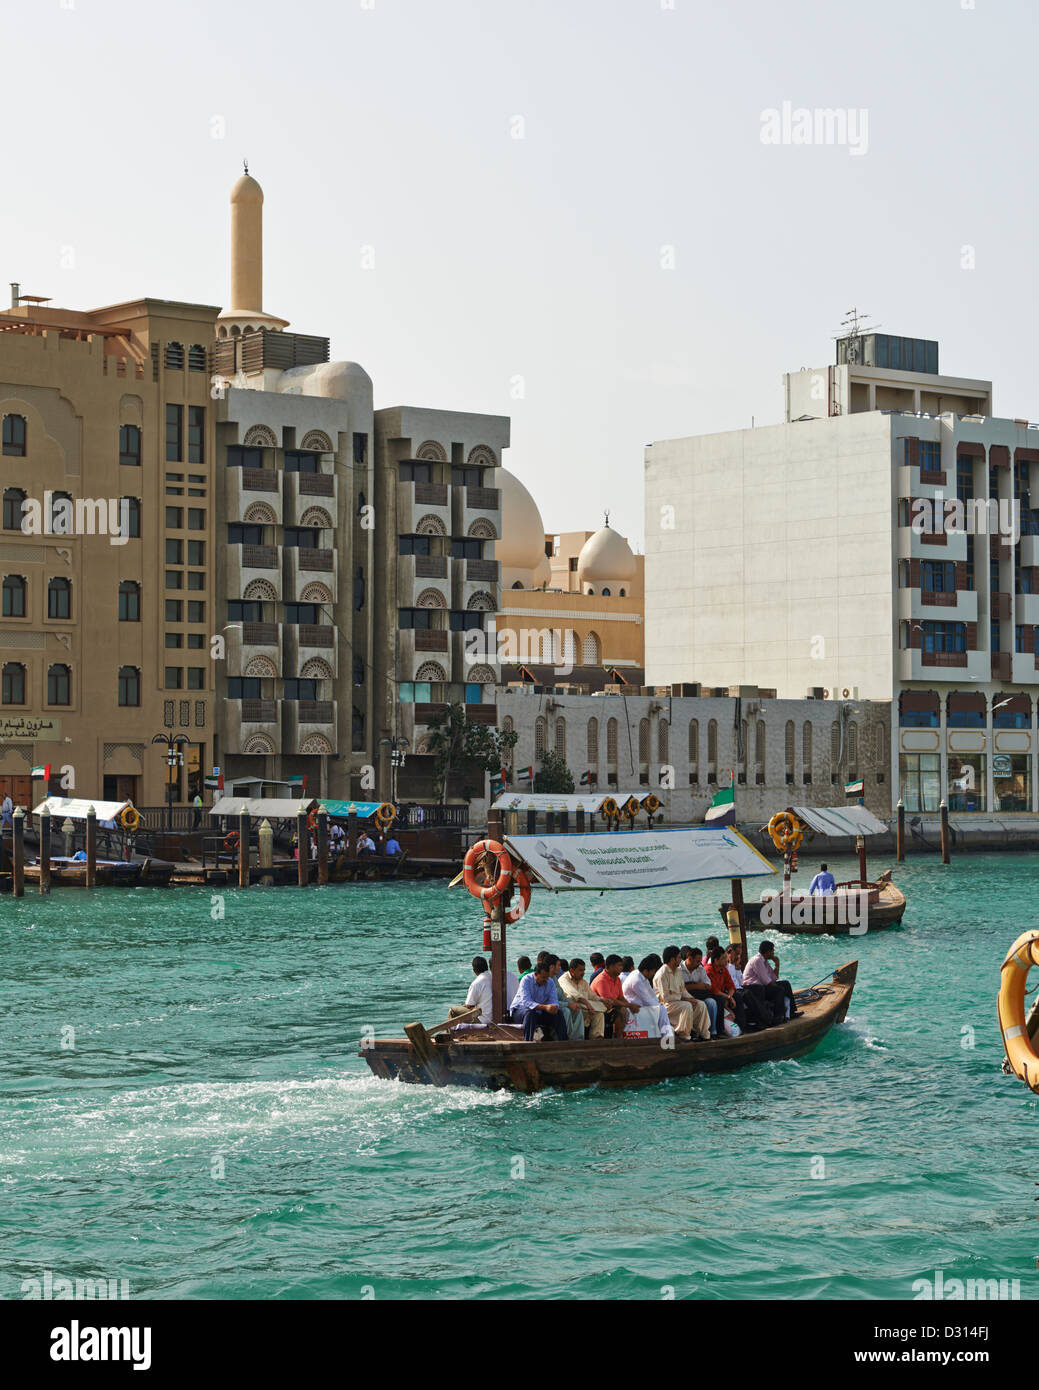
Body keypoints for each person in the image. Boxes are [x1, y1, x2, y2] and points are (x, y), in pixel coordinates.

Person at [653, 946, 711, 1040]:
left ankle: (703, 1034)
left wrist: (691, 998)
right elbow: (666, 998)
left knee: (701, 1004)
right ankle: (684, 1035)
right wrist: (684, 999)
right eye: (679, 957)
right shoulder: (662, 974)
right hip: (666, 1005)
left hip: (678, 1001)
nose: (681, 960)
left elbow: (683, 989)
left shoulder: (678, 971)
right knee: (686, 1006)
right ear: (673, 959)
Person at [743, 941, 802, 1023]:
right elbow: (766, 981)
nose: (773, 953)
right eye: (772, 951)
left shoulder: (765, 961)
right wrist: (778, 987)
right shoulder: (757, 960)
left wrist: (777, 965)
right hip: (754, 988)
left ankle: (791, 1012)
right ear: (768, 952)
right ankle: (778, 1016)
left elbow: (774, 978)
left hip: (762, 986)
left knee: (785, 984)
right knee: (779, 990)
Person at [510, 962, 567, 1041]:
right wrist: (545, 1007)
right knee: (530, 1013)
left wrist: (554, 1007)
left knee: (559, 1013)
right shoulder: (526, 980)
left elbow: (554, 1000)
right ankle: (527, 1042)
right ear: (536, 974)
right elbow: (526, 1002)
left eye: (547, 977)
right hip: (520, 1012)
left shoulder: (550, 982)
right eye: (543, 977)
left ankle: (563, 1042)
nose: (546, 980)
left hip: (539, 1012)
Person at [621, 956, 673, 1039]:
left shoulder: (642, 976)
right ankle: (667, 1036)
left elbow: (651, 994)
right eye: (653, 971)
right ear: (646, 971)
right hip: (632, 1006)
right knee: (661, 1009)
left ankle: (666, 1034)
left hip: (639, 1003)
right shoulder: (636, 979)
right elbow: (646, 999)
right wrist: (658, 1007)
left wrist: (658, 1004)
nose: (653, 974)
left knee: (661, 1008)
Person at [557, 957, 606, 1039]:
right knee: (594, 1008)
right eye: (581, 970)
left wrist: (602, 1000)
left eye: (584, 970)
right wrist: (588, 1005)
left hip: (585, 1008)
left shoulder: (583, 981)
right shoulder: (564, 979)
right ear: (572, 971)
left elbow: (592, 996)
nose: (583, 973)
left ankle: (597, 1038)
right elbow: (574, 995)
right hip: (572, 1007)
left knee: (599, 1014)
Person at [590, 954, 635, 1037]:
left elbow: (621, 997)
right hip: (598, 1009)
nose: (621, 968)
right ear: (610, 966)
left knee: (627, 1009)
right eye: (619, 965)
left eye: (621, 965)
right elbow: (610, 1000)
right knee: (620, 1010)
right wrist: (627, 1005)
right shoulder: (602, 980)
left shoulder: (617, 978)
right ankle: (617, 1039)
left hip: (609, 1007)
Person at [680, 946, 720, 1037]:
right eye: (698, 961)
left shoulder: (700, 968)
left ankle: (711, 1031)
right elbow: (679, 988)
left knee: (712, 1002)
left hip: (699, 996)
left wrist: (690, 986)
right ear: (689, 959)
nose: (700, 963)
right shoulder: (679, 970)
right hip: (684, 998)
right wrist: (697, 985)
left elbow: (708, 985)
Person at [706, 947, 745, 1035]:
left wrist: (730, 996)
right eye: (723, 958)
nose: (726, 960)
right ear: (716, 960)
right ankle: (720, 1030)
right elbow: (714, 990)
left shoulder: (723, 969)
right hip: (713, 995)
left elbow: (731, 985)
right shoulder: (708, 971)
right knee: (720, 1000)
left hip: (724, 994)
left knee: (738, 996)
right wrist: (727, 997)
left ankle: (741, 1026)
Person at [451, 956, 493, 1024]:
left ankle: (450, 1033)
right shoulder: (492, 977)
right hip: (492, 1018)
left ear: (474, 970)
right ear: (486, 967)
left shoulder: (477, 982)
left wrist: (464, 1005)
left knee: (453, 1011)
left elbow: (468, 1005)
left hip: (482, 1020)